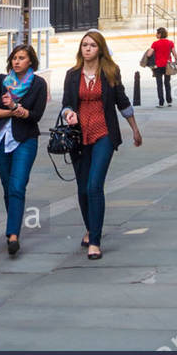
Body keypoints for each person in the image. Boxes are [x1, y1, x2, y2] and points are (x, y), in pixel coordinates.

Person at [62, 29, 142, 260]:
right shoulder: (72, 75)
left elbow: (122, 102)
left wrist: (135, 129)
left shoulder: (110, 72)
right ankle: (90, 227)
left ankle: (95, 241)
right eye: (84, 45)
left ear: (100, 49)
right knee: (83, 188)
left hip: (103, 133)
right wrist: (69, 114)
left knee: (95, 185)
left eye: (92, 45)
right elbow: (67, 104)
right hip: (79, 135)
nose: (87, 48)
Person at [0, 42, 47, 256]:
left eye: (21, 58)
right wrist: (10, 111)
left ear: (30, 61)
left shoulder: (38, 84)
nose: (17, 61)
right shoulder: (3, 81)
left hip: (25, 140)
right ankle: (13, 224)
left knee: (17, 185)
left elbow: (36, 115)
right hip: (0, 139)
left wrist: (15, 108)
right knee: (7, 186)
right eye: (14, 58)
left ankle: (13, 235)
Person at [150, 26, 177, 107]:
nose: (156, 35)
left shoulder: (155, 44)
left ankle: (161, 103)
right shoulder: (170, 43)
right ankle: (169, 101)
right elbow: (174, 53)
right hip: (167, 65)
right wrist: (176, 61)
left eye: (157, 33)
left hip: (158, 66)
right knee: (167, 83)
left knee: (159, 84)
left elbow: (149, 54)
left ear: (160, 34)